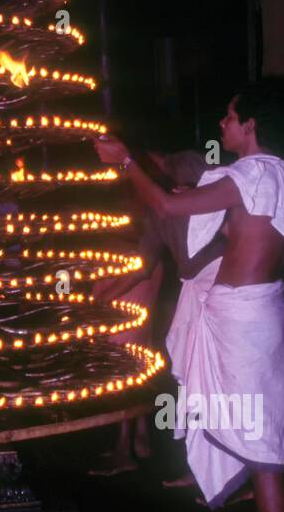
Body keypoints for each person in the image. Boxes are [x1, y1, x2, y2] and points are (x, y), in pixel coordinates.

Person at [95, 84, 284, 512]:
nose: (223, 123)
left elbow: (167, 201)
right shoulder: (281, 175)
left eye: (231, 116)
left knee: (263, 449)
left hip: (245, 319)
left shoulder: (250, 175)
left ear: (252, 124)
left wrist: (125, 161)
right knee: (263, 438)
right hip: (260, 313)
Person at [90, 150, 225, 477]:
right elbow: (143, 266)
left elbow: (225, 194)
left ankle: (220, 470)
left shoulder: (185, 167)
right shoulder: (152, 214)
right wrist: (98, 302)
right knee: (189, 373)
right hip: (193, 285)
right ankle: (193, 464)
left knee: (215, 378)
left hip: (224, 282)